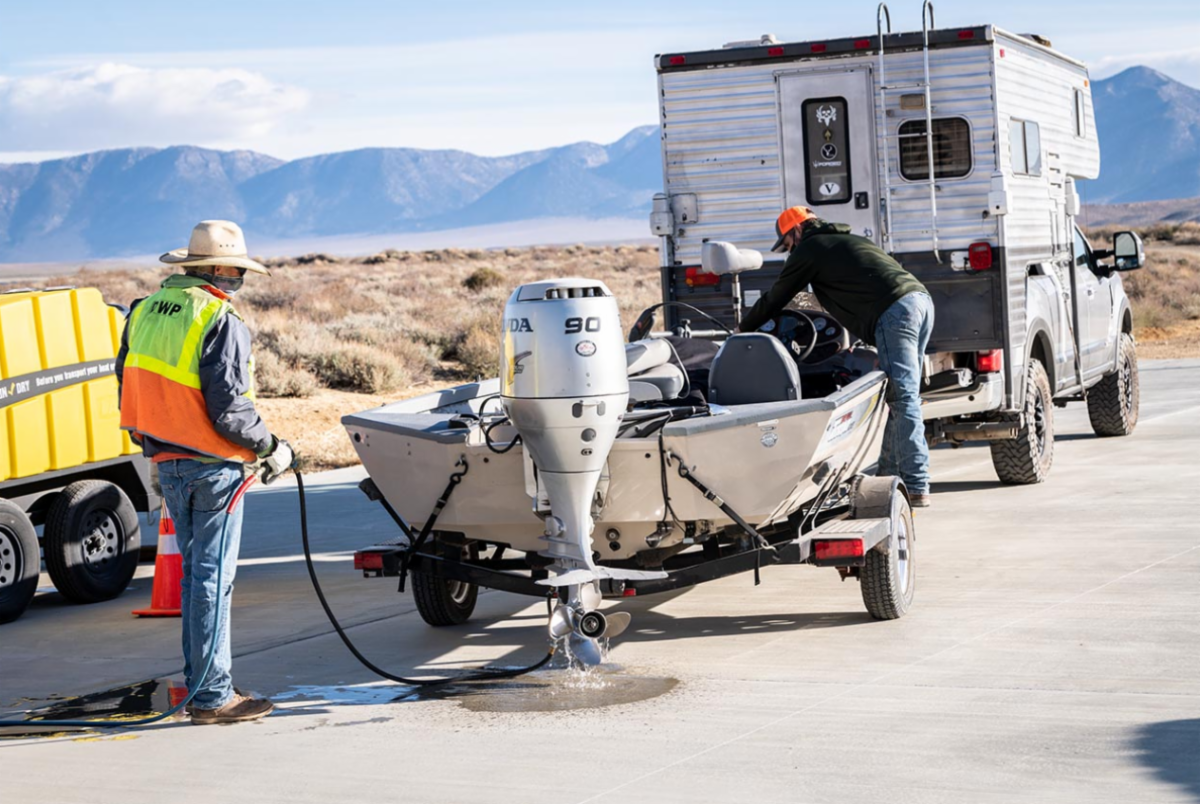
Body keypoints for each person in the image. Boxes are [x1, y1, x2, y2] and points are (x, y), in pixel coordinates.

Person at [117, 220, 292, 724]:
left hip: (167, 460)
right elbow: (230, 409)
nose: (240, 276)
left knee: (198, 580)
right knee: (212, 581)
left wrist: (152, 441)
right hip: (215, 466)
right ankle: (213, 697)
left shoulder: (144, 311)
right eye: (236, 267)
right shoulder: (219, 317)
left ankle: (203, 686)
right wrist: (271, 446)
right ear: (217, 268)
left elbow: (127, 381)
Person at [740, 206, 935, 507]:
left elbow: (777, 296)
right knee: (899, 396)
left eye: (787, 244)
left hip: (894, 312)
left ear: (796, 231)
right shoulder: (844, 241)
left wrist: (743, 329)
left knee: (904, 398)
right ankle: (886, 477)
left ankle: (917, 482)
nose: (788, 251)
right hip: (920, 302)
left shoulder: (811, 248)